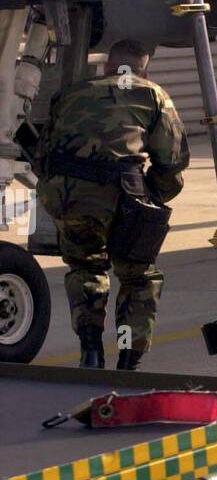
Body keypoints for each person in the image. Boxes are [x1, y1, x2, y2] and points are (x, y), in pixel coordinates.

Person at [34, 39, 188, 369]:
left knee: (86, 266)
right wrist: (152, 200)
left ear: (107, 66)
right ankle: (127, 361)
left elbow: (43, 151)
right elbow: (173, 160)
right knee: (138, 276)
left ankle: (90, 350)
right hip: (119, 193)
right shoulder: (151, 93)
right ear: (143, 70)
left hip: (65, 194)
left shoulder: (72, 93)